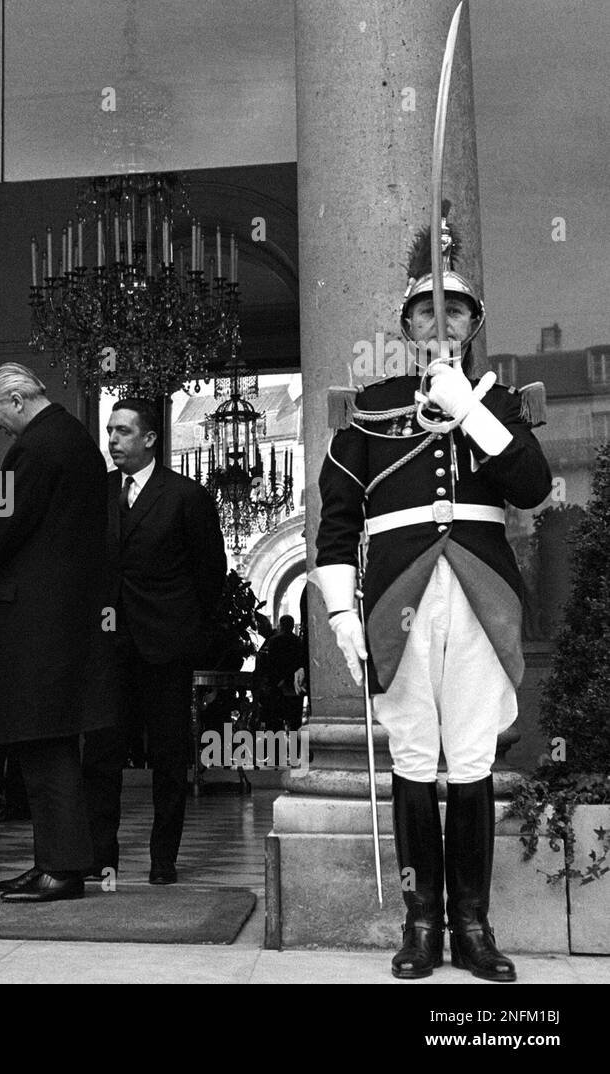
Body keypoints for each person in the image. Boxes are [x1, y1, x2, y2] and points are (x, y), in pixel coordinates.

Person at [315, 208, 552, 981]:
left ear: (473, 323)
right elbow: (337, 524)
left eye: (455, 311)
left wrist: (472, 409)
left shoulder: (501, 402)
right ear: (410, 326)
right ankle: (422, 925)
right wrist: (345, 615)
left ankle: (474, 929)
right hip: (400, 598)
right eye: (428, 311)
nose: (441, 322)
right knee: (416, 759)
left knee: (474, 759)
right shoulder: (373, 408)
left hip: (480, 597)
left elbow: (534, 488)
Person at [0, 363, 111, 903]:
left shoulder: (36, 447)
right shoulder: (74, 439)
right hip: (61, 621)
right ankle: (55, 863)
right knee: (47, 745)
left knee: (44, 744)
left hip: (36, 626)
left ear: (15, 399)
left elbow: (2, 531)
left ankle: (60, 868)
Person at [81, 399, 225, 885]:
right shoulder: (95, 493)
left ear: (149, 439)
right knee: (101, 756)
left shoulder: (186, 496)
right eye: (109, 431)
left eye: (123, 432)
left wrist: (191, 635)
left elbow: (211, 575)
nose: (113, 441)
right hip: (106, 646)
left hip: (165, 647)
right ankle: (104, 856)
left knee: (168, 758)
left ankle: (164, 860)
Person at [255, 615, 306, 732]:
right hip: (293, 686)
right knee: (294, 722)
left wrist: (275, 681)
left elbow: (270, 663)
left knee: (275, 722)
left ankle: (277, 748)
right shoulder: (298, 642)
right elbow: (300, 663)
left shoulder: (274, 641)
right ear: (293, 626)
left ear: (281, 625)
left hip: (277, 686)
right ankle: (294, 748)